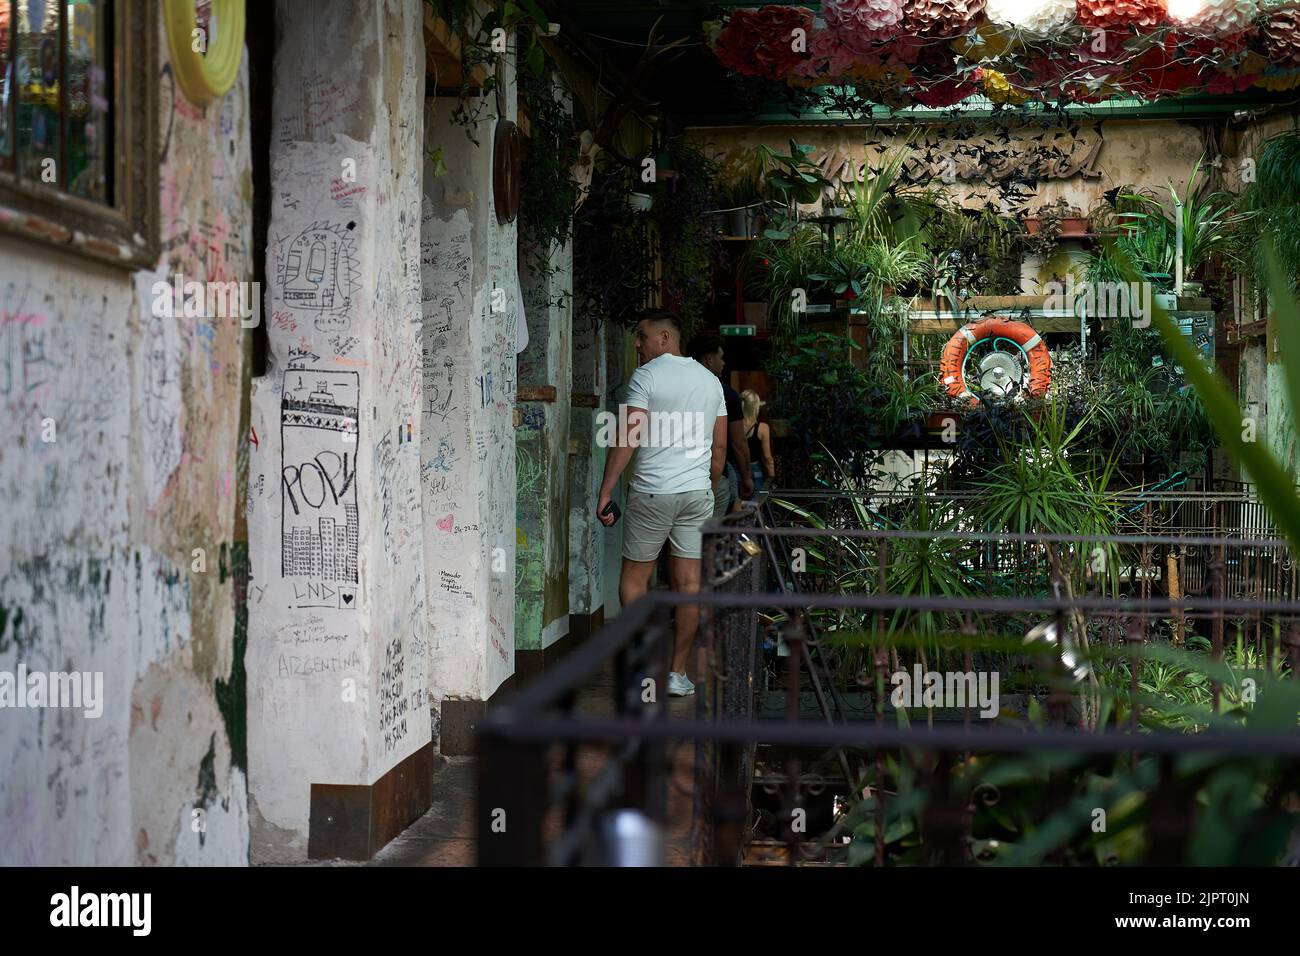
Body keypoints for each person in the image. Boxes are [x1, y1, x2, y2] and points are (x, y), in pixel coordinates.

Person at [597, 311, 728, 697]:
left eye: (642, 336)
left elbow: (628, 437)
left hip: (653, 492)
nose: (637, 344)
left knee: (634, 580)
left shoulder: (647, 376)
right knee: (689, 585)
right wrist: (706, 488)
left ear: (665, 337)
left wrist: (606, 491)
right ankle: (676, 673)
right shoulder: (711, 382)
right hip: (696, 494)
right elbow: (719, 450)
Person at [687, 335, 754, 515]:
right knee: (707, 530)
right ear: (709, 360)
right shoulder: (726, 394)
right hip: (711, 476)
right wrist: (746, 477)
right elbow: (737, 443)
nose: (723, 363)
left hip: (678, 476)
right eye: (721, 357)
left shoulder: (678, 390)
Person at [740, 389, 776, 494]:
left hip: (736, 469)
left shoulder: (733, 427)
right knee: (758, 501)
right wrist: (772, 478)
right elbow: (767, 458)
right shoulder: (763, 428)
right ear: (755, 408)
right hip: (755, 470)